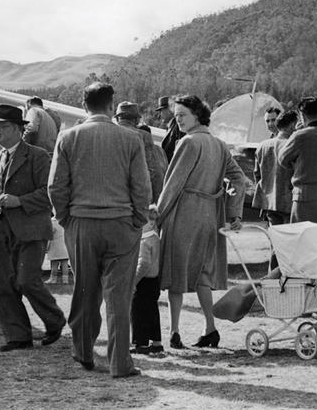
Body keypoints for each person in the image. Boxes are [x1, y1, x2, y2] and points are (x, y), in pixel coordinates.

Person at [49, 83, 150, 378]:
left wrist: (66, 217)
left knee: (84, 290)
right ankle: (120, 363)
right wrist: (137, 219)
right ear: (111, 105)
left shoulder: (68, 137)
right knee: (118, 297)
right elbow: (142, 186)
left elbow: (56, 185)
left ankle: (83, 351)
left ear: (83, 105)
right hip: (121, 224)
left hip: (81, 223)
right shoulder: (131, 139)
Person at [156, 95, 245, 350]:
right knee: (202, 275)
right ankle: (210, 328)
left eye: (182, 114)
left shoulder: (188, 142)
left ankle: (174, 331)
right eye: (176, 115)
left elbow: (172, 185)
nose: (178, 119)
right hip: (209, 215)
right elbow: (239, 179)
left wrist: (158, 218)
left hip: (183, 214)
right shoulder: (219, 144)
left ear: (197, 115)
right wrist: (233, 214)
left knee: (176, 273)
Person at [0, 105, 64, 352]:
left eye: (3, 126)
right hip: (0, 230)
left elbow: (49, 192)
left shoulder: (38, 156)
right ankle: (18, 337)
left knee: (27, 280)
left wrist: (21, 201)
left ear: (19, 129)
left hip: (30, 230)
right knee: (3, 287)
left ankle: (55, 320)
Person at [115, 101, 167, 355]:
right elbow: (160, 176)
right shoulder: (153, 145)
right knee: (151, 292)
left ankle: (139, 341)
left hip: (127, 216)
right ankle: (154, 340)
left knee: (135, 287)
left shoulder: (118, 137)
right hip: (152, 214)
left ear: (117, 117)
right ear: (137, 118)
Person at [253, 111, 296, 226]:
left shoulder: (262, 145)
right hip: (289, 201)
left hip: (269, 201)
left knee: (275, 237)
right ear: (293, 125)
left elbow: (257, 175)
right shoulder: (293, 145)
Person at [156, 96, 183, 162]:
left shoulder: (178, 127)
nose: (159, 115)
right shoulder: (172, 126)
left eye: (161, 111)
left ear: (169, 110)